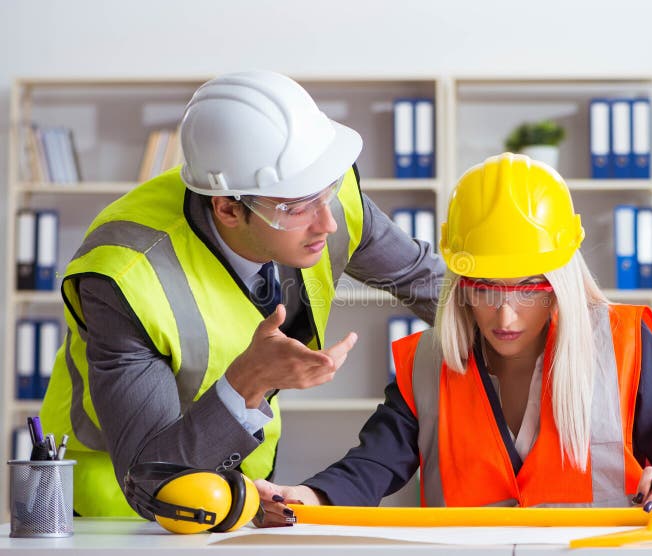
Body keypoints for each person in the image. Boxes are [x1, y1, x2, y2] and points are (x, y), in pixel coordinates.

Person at [254, 153, 652, 525]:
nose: (505, 314)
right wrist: (310, 497)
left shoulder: (625, 345)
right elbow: (371, 466)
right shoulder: (430, 361)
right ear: (461, 283)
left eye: (528, 289)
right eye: (485, 288)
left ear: (559, 284)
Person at [39, 70, 444, 518]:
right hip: (116, 512)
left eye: (325, 192)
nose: (326, 223)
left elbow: (434, 287)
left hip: (242, 484)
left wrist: (524, 309)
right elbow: (149, 480)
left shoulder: (319, 191)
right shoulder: (126, 279)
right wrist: (248, 380)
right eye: (296, 207)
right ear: (229, 208)